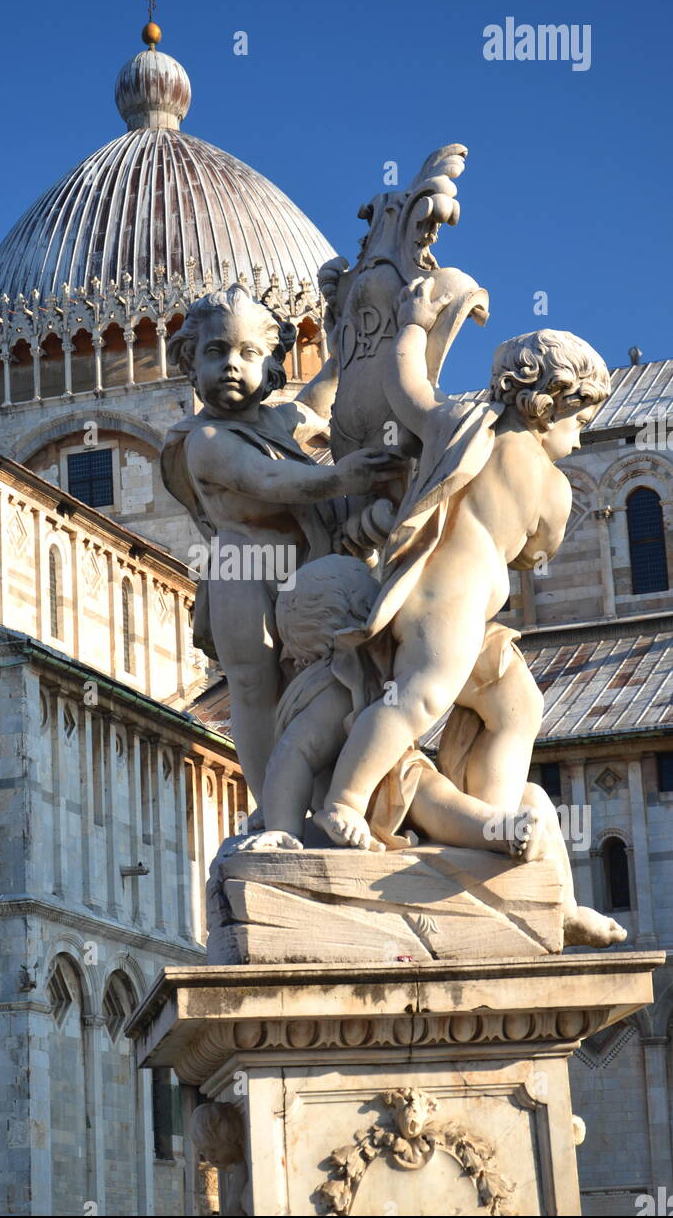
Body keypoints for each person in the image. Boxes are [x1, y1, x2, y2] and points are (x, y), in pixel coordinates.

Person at [315, 278, 611, 850]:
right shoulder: (551, 485)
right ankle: (344, 801)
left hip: (472, 615)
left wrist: (412, 325)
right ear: (549, 406)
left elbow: (407, 390)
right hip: (445, 598)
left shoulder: (463, 425)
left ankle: (492, 820)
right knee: (418, 697)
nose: (579, 440)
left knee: (519, 705)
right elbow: (538, 553)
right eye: (579, 422)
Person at [248, 555, 624, 948]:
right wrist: (283, 829)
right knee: (431, 794)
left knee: (534, 797)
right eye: (376, 614)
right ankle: (497, 833)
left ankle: (566, 910)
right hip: (383, 799)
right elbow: (292, 755)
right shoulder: (334, 689)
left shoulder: (370, 674)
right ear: (351, 627)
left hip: (397, 776)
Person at [160, 283, 397, 799]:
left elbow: (326, 394)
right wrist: (343, 479)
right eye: (215, 352)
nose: (230, 365)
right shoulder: (206, 441)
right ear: (191, 366)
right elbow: (269, 482)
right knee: (253, 687)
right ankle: (270, 803)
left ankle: (315, 792)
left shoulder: (281, 420)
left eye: (248, 353)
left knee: (316, 680)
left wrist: (348, 333)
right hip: (241, 570)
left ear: (271, 369)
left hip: (306, 571)